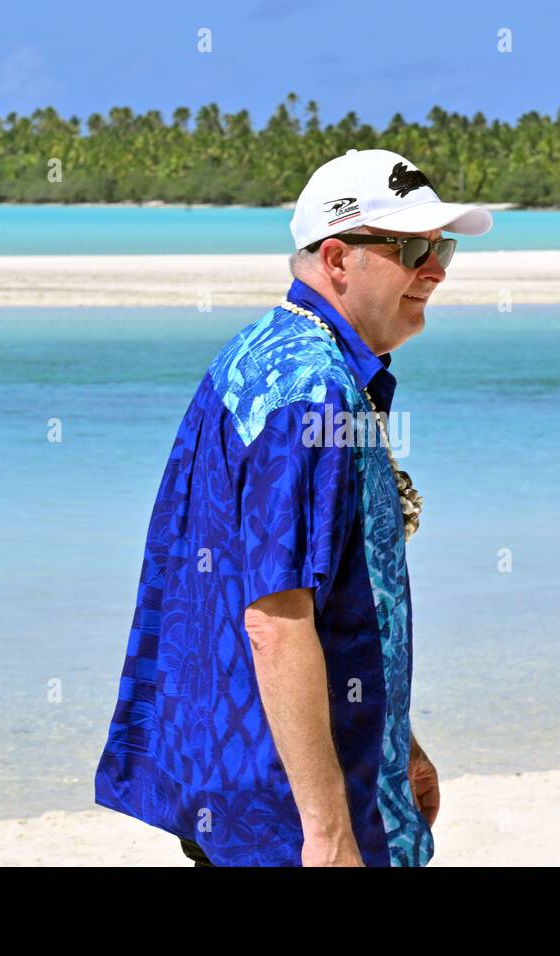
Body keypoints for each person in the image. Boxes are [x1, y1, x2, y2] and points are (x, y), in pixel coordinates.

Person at [94, 148, 493, 866]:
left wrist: (398, 743)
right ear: (338, 258)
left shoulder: (264, 353)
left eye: (443, 247)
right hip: (285, 820)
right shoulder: (312, 393)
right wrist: (329, 833)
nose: (434, 268)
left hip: (241, 791)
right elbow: (275, 619)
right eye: (412, 249)